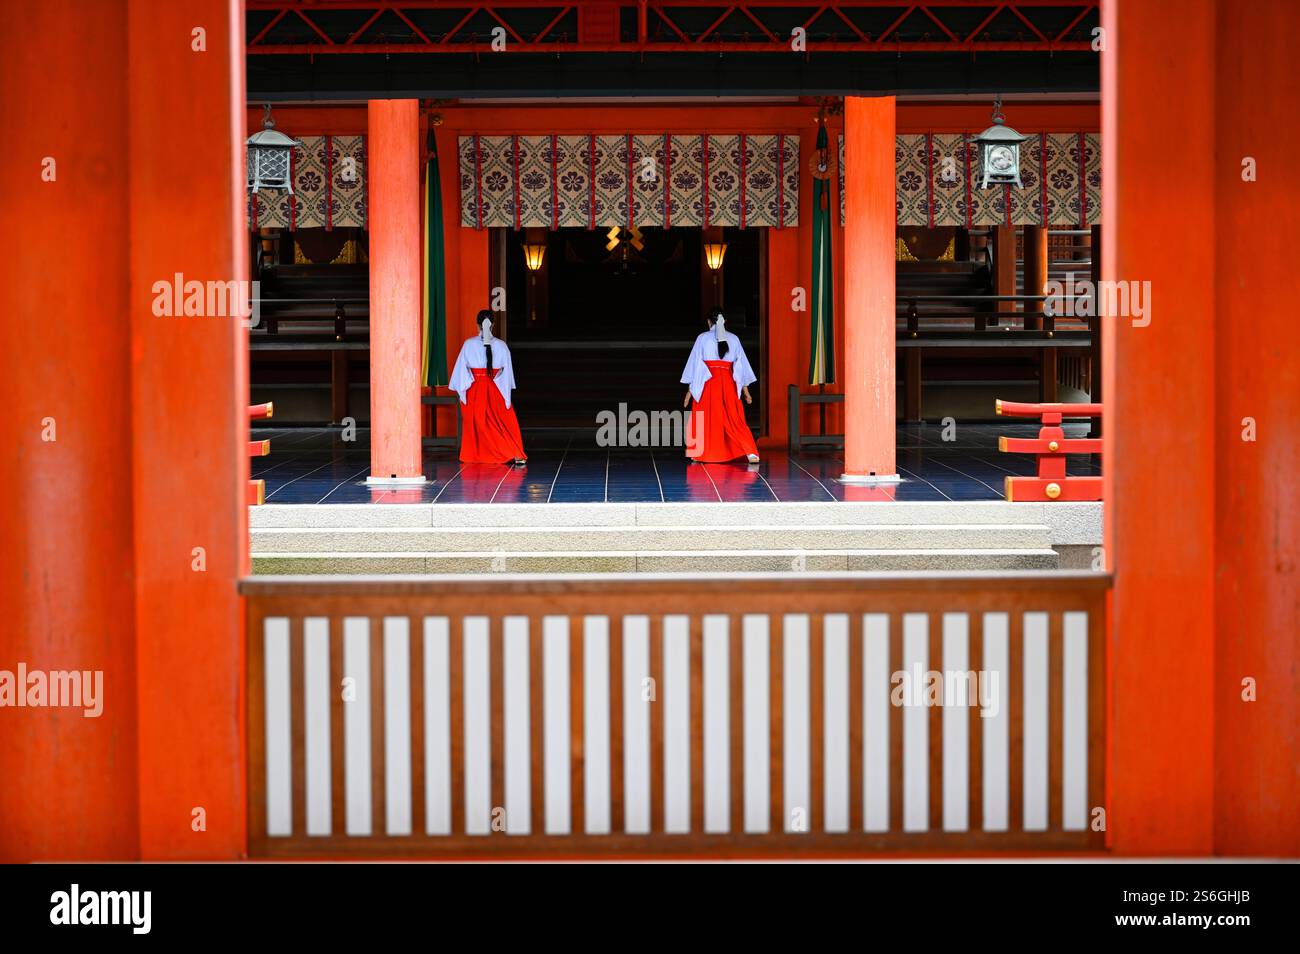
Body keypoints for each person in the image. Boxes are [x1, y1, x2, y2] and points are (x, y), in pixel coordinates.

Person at [680, 309, 760, 464]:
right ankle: (751, 452)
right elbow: (740, 366)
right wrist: (746, 391)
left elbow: (695, 364)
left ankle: (699, 453)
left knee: (705, 417)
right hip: (728, 381)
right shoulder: (734, 339)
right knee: (734, 418)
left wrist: (690, 390)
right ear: (725, 322)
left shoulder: (702, 338)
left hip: (707, 381)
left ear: (709, 322)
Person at [449, 310, 527, 465]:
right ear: (493, 325)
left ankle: (477, 455)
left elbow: (460, 371)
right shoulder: (501, 345)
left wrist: (464, 390)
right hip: (495, 387)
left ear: (477, 324)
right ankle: (513, 453)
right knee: (503, 421)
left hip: (474, 389)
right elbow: (507, 373)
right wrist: (505, 393)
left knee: (477, 422)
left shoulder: (468, 344)